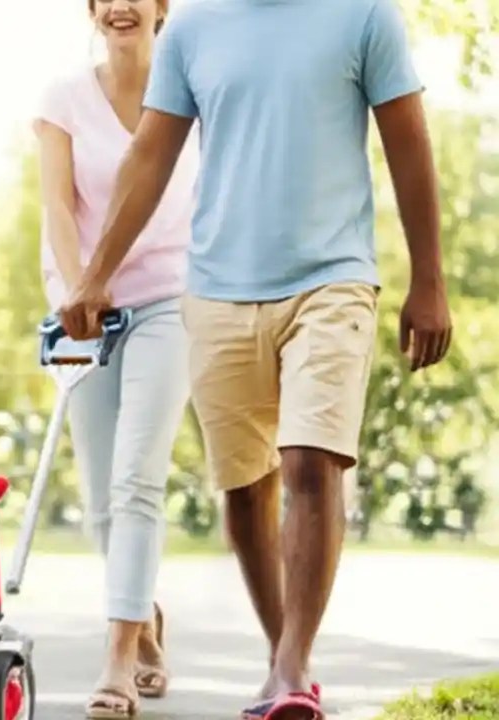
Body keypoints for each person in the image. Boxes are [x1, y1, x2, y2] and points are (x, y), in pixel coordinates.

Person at [59, 0, 453, 717]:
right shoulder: (196, 30)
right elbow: (152, 153)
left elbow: (408, 142)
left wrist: (429, 279)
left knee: (311, 459)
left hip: (332, 279)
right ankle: (285, 665)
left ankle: (293, 668)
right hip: (216, 290)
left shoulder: (365, 15)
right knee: (245, 489)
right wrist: (96, 275)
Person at [32, 0, 197, 717]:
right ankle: (145, 617)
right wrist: (78, 294)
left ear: (164, 8)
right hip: (81, 307)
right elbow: (58, 207)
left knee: (137, 479)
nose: (121, 6)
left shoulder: (195, 86)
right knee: (102, 496)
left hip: (171, 297)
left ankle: (118, 661)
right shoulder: (62, 97)